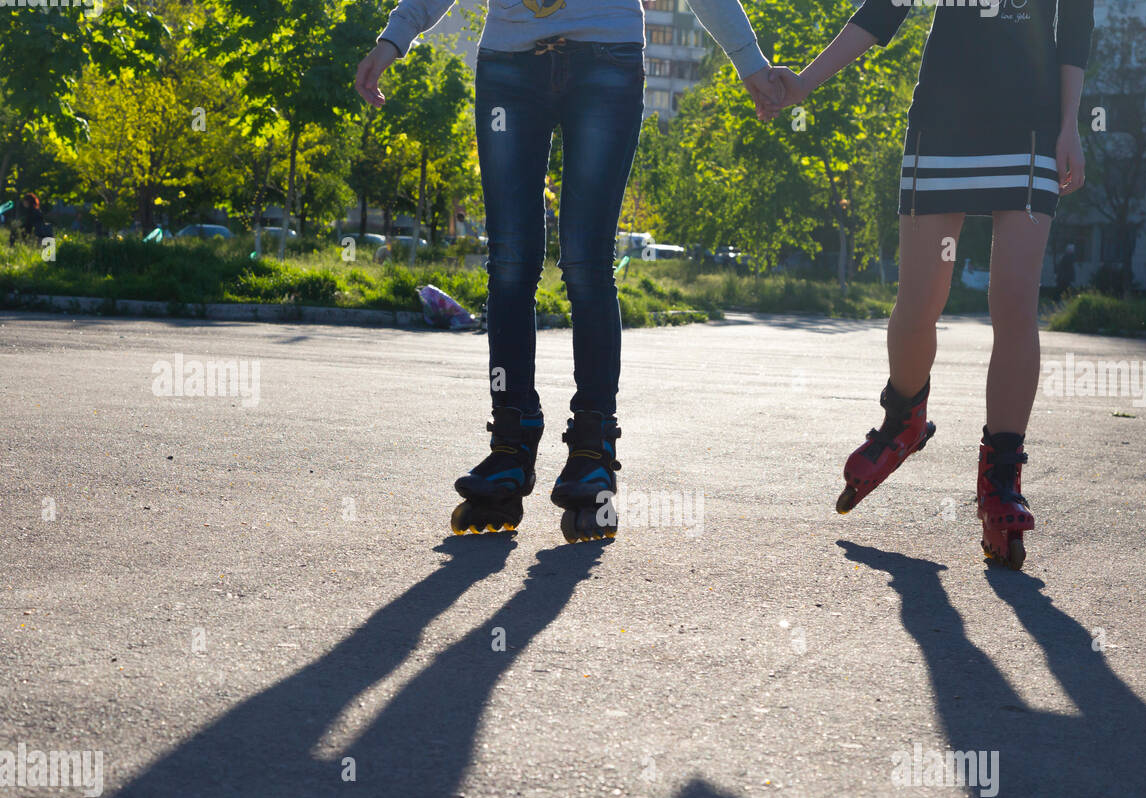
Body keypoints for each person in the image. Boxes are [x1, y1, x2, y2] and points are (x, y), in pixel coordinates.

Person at [356, 0, 783, 543]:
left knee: (586, 264)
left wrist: (749, 63)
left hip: (607, 57)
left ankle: (592, 446)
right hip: (509, 64)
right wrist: (393, 39)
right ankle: (511, 440)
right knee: (509, 263)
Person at [768, 0, 1093, 570]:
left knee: (1014, 302)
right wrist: (803, 83)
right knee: (920, 302)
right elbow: (884, 11)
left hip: (1033, 131)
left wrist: (1071, 125)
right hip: (944, 128)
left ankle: (1001, 479)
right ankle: (904, 419)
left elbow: (1076, 25)